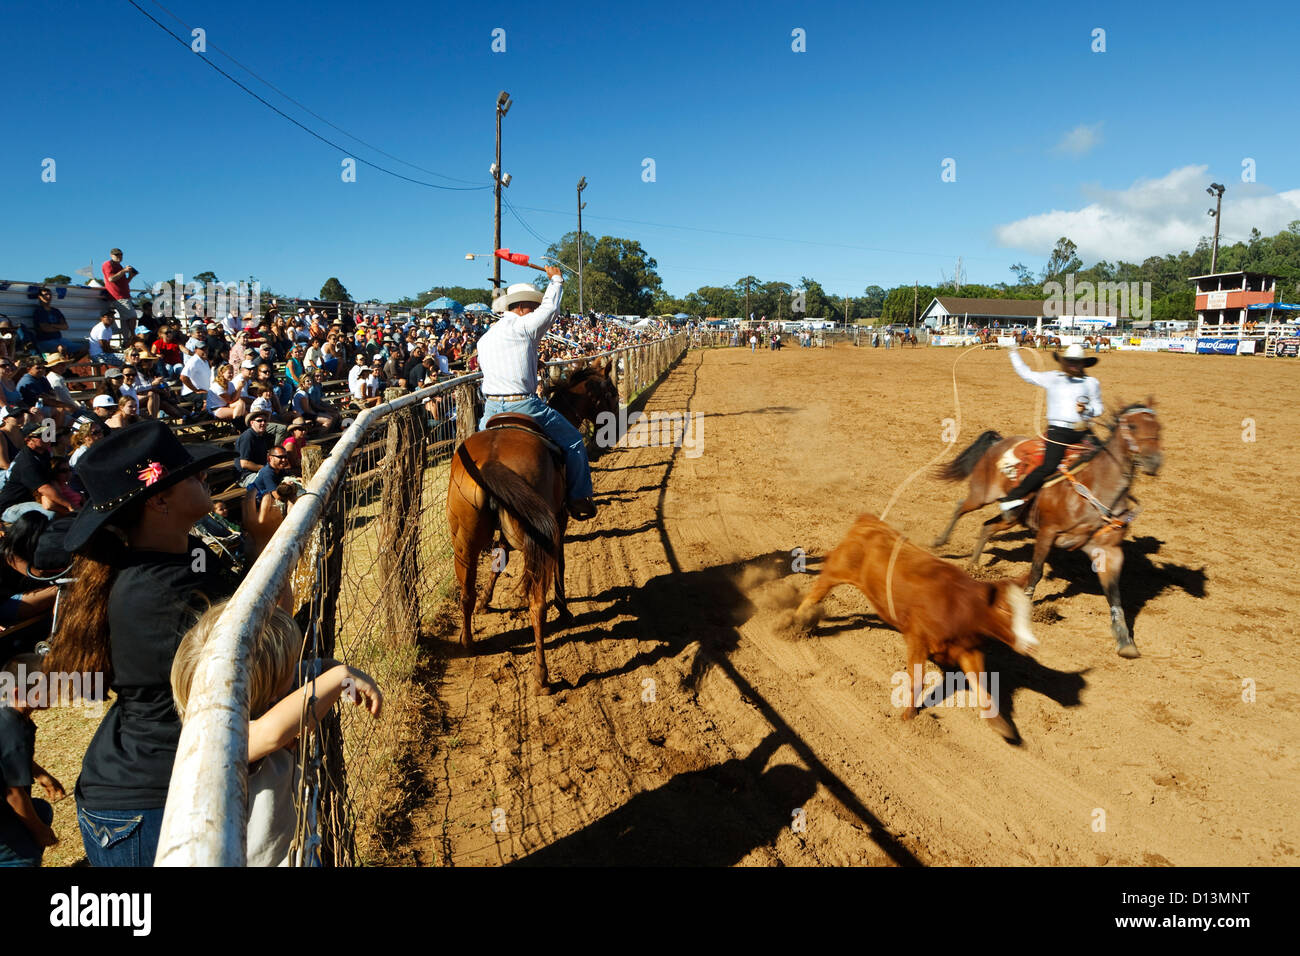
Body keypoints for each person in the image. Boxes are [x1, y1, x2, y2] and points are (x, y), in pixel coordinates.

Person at [43, 421, 279, 866]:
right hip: (145, 803)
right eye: (189, 475)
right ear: (159, 499)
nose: (203, 477)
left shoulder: (185, 557)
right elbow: (265, 644)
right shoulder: (153, 595)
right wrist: (269, 543)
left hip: (165, 780)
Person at [170, 603, 381, 866]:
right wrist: (340, 677)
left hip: (295, 853)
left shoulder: (259, 701)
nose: (298, 668)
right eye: (291, 665)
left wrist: (333, 670)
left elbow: (307, 673)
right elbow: (273, 732)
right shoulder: (220, 739)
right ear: (271, 688)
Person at [475, 268, 596, 520]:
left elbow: (503, 364)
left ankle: (479, 510)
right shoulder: (523, 326)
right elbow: (549, 310)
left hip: (491, 408)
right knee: (574, 440)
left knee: (475, 452)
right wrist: (556, 280)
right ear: (521, 307)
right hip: (523, 405)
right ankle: (578, 497)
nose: (534, 311)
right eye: (532, 306)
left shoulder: (485, 338)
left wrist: (531, 363)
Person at [998, 343, 1104, 515]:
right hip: (1058, 432)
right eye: (1069, 361)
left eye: (1077, 362)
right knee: (1049, 466)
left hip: (1083, 430)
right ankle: (1012, 498)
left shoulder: (1091, 383)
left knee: (1105, 458)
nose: (1073, 364)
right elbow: (1027, 374)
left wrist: (1087, 410)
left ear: (1083, 363)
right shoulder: (1053, 377)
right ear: (1063, 362)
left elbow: (1099, 408)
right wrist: (1013, 352)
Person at [0, 653, 65, 866]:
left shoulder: (8, 715)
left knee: (42, 811)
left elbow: (7, 757)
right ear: (18, 692)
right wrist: (40, 832)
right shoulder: (12, 729)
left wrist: (40, 774)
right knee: (24, 858)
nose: (56, 692)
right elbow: (14, 795)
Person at [0, 423, 77, 516]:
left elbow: (50, 481)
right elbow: (44, 488)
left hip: (31, 499)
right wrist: (69, 505)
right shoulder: (27, 462)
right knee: (50, 513)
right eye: (42, 435)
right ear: (28, 440)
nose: (47, 437)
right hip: (11, 506)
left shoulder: (43, 453)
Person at [31, 288, 87, 357]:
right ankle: (61, 366)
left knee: (83, 348)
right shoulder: (39, 311)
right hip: (44, 341)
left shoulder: (55, 311)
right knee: (62, 348)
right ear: (40, 297)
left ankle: (67, 364)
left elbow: (65, 326)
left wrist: (52, 325)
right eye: (46, 294)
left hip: (59, 339)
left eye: (50, 294)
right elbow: (45, 329)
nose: (49, 296)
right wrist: (58, 327)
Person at [100, 249, 139, 335]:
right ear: (111, 255)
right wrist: (124, 271)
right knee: (132, 316)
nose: (119, 256)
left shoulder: (119, 266)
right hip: (118, 296)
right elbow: (111, 279)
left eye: (120, 254)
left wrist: (131, 276)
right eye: (116, 255)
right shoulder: (108, 264)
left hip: (123, 295)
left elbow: (124, 282)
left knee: (125, 320)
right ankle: (132, 337)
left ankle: (127, 340)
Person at [235, 410, 274, 486]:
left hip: (258, 472)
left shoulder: (262, 436)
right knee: (271, 482)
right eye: (259, 421)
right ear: (252, 423)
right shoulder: (247, 437)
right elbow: (244, 464)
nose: (263, 423)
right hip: (246, 476)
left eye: (265, 421)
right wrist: (265, 468)